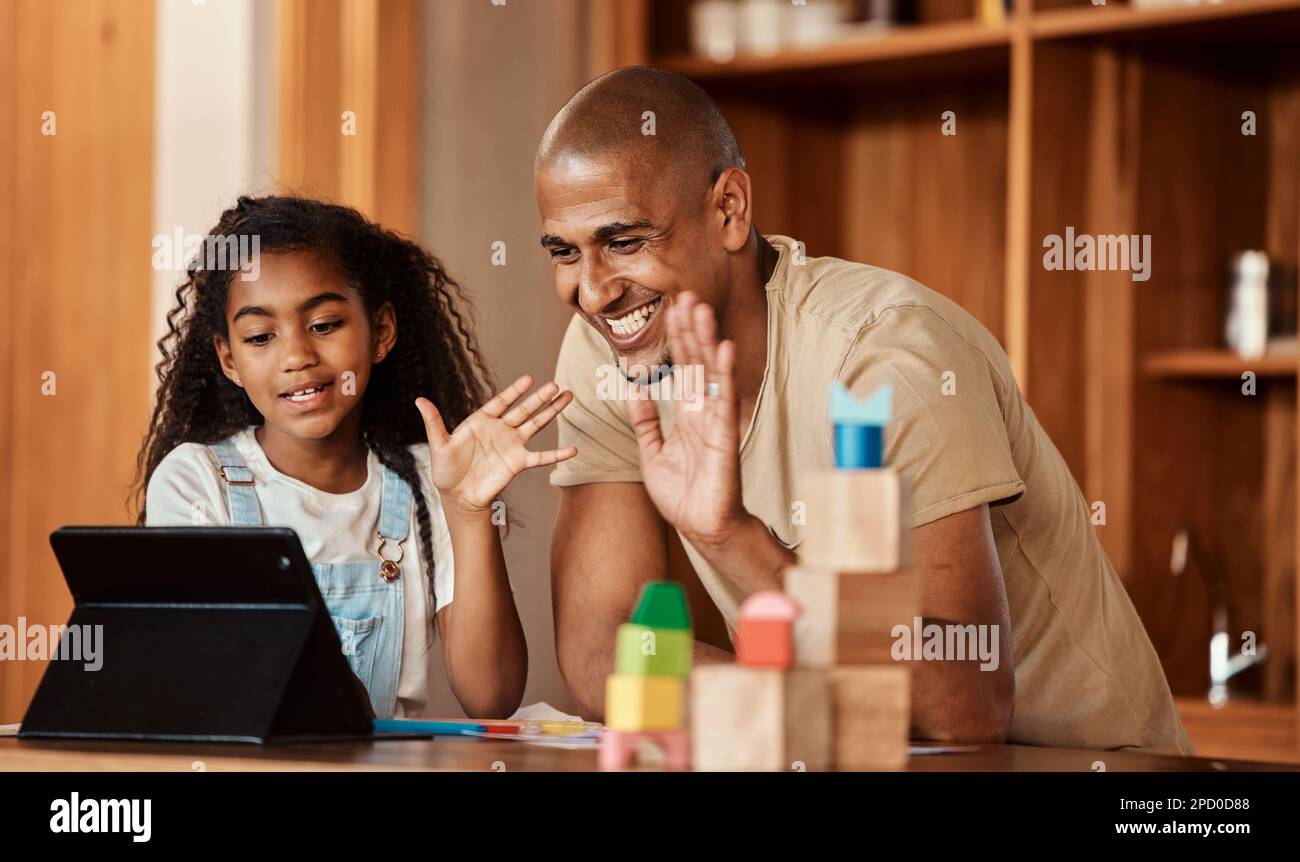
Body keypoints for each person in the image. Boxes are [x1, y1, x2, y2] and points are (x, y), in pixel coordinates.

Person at [535, 67, 1192, 753]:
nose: (592, 293)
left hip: (1086, 766)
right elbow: (600, 653)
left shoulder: (890, 355)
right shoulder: (612, 351)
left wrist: (733, 539)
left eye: (625, 241)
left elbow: (964, 709)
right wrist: (802, 716)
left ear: (729, 209)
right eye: (563, 252)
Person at [135, 195, 575, 720]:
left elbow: (492, 697)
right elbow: (201, 681)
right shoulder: (195, 481)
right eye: (260, 336)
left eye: (324, 325)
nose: (297, 356)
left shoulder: (429, 482)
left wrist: (469, 510)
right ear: (229, 358)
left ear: (381, 332)